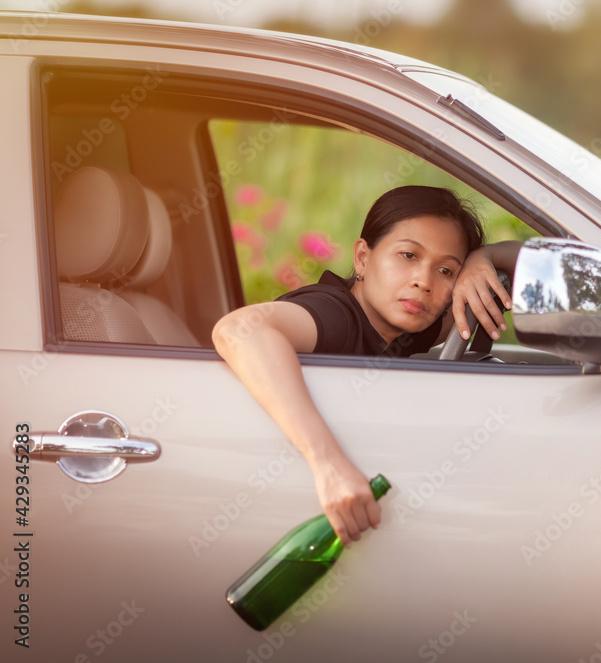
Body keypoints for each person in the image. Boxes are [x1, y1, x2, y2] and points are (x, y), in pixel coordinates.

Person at [212, 185, 521, 548]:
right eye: (408, 255)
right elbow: (238, 329)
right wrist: (328, 464)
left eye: (445, 270)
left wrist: (483, 258)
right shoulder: (337, 315)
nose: (424, 281)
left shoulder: (412, 326)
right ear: (362, 258)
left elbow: (542, 262)